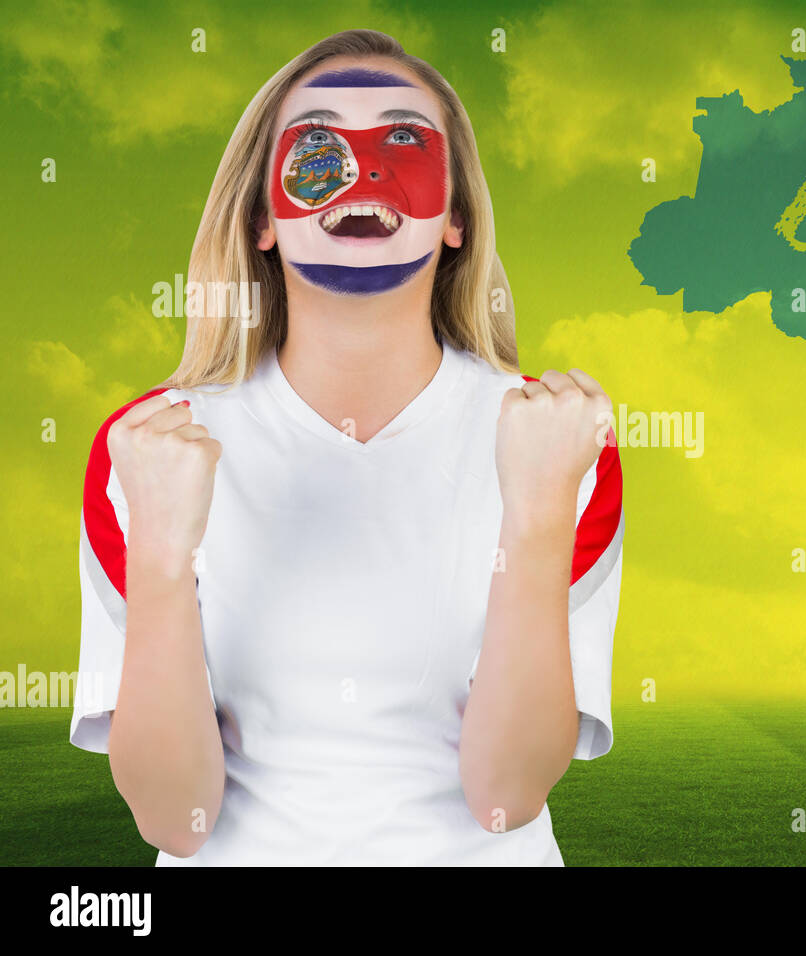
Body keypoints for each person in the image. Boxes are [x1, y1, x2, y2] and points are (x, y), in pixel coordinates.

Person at [71, 29, 624, 866]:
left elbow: (506, 797)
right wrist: (161, 559)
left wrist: (539, 514)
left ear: (456, 219)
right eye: (319, 144)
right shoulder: (147, 447)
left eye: (403, 139)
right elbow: (173, 819)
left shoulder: (562, 439)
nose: (363, 174)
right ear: (261, 217)